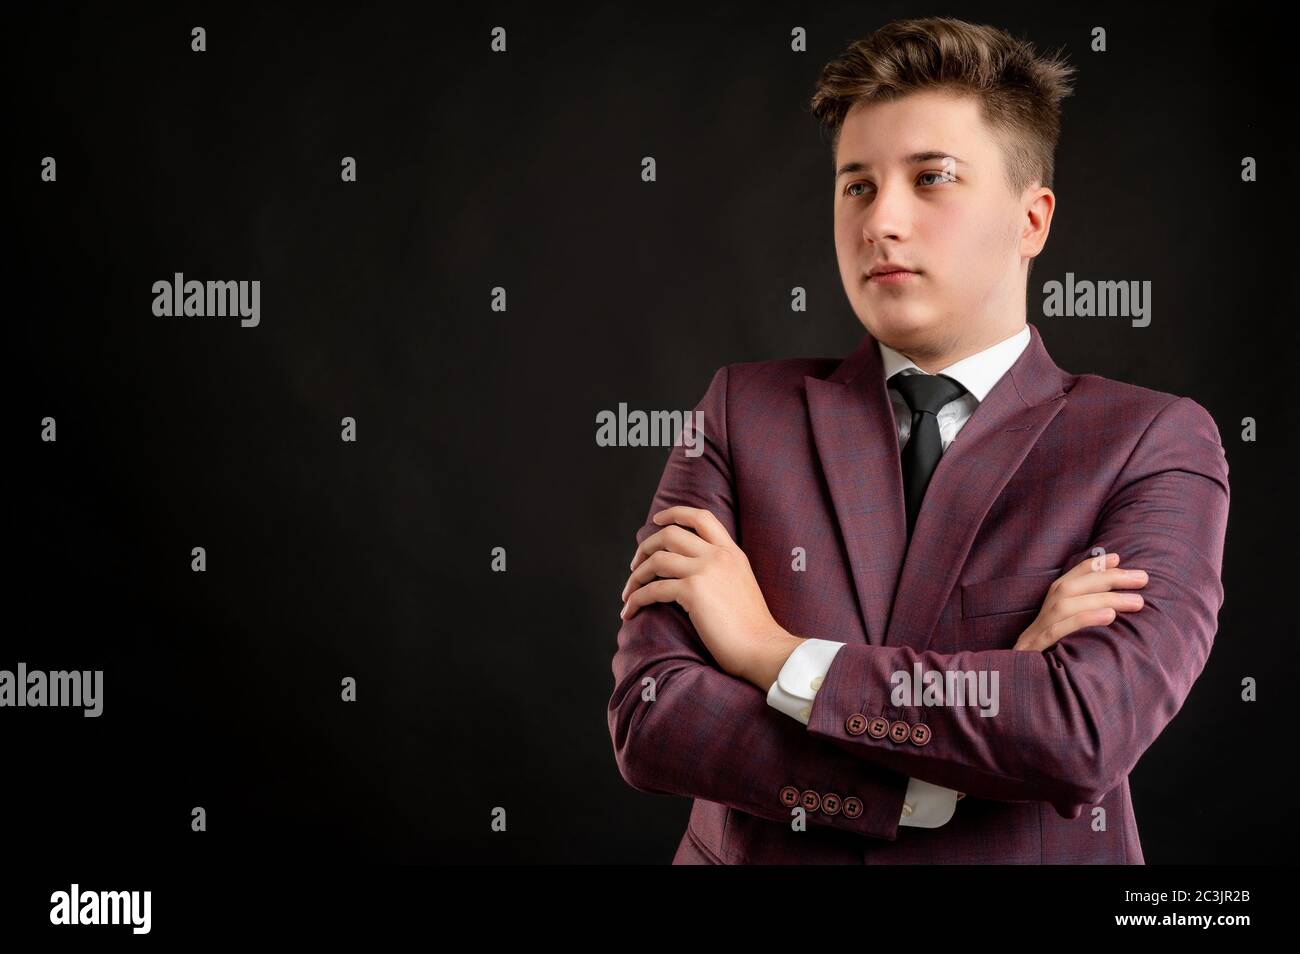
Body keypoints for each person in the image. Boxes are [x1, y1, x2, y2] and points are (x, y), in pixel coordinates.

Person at [606, 16, 1229, 864]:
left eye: (931, 178)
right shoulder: (738, 413)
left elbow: (1083, 730)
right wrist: (942, 769)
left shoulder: (1150, 442)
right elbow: (655, 716)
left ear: (1032, 220)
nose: (880, 221)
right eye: (856, 185)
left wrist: (771, 653)